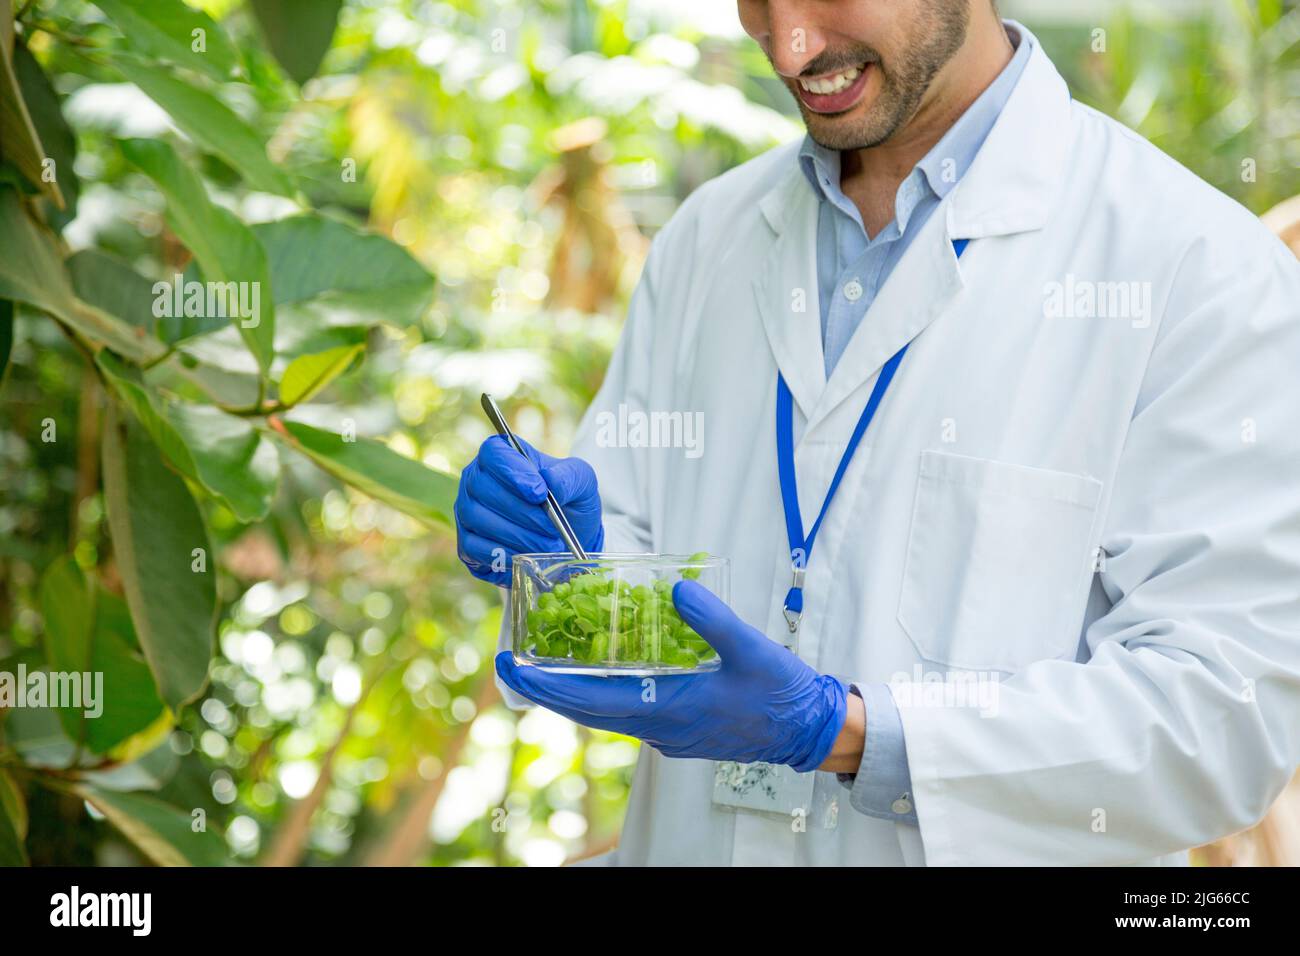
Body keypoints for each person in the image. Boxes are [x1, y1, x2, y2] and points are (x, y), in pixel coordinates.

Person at [455, 0, 1300, 865]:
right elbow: (634, 558)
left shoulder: (1199, 273)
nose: (788, 42)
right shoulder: (707, 239)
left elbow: (1218, 723)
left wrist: (845, 734)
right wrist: (565, 567)